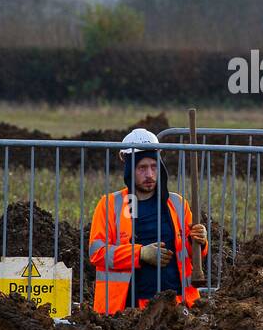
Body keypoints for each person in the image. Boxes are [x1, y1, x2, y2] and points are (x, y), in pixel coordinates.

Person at [87, 128, 208, 314]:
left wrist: (198, 241)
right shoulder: (112, 205)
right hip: (129, 309)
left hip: (176, 305)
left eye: (154, 166)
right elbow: (97, 253)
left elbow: (191, 254)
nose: (150, 174)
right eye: (142, 168)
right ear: (130, 170)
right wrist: (140, 253)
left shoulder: (176, 204)